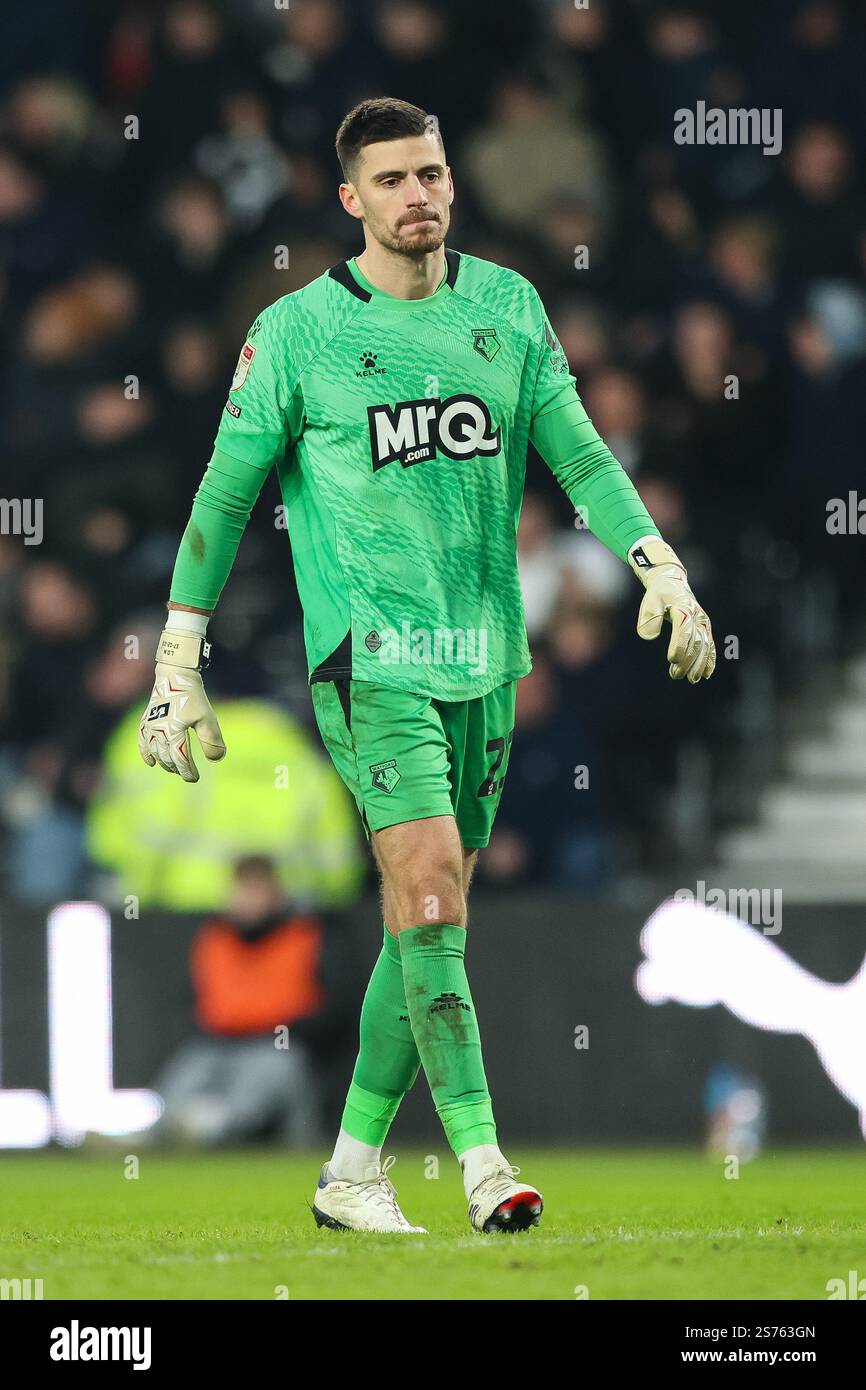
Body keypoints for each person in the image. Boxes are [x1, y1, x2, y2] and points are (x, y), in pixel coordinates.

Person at [138, 97, 715, 1235]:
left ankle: (350, 1170)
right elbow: (223, 495)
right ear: (351, 199)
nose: (418, 196)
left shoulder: (509, 305)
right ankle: (485, 1164)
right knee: (434, 889)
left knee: (427, 921)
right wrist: (176, 654)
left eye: (432, 174)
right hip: (370, 661)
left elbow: (580, 456)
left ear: (453, 181)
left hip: (486, 658)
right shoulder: (295, 331)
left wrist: (660, 566)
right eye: (393, 179)